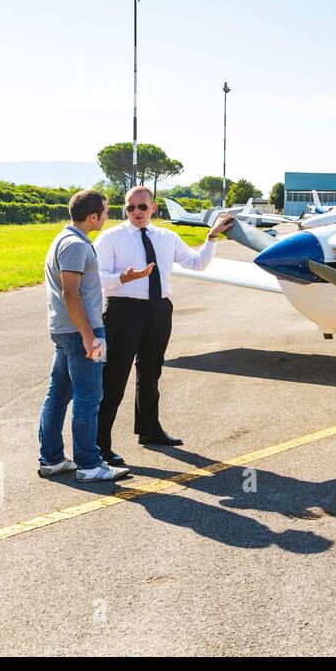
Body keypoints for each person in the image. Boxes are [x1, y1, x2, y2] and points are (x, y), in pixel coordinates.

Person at [93, 186, 234, 464]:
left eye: (142, 207)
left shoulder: (167, 237)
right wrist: (126, 277)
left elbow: (197, 263)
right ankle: (100, 444)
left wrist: (212, 236)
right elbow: (98, 277)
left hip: (159, 309)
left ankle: (149, 430)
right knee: (115, 376)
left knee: (151, 370)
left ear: (153, 208)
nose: (136, 213)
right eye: (130, 207)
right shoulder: (111, 237)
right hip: (123, 309)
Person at [38, 190, 131, 482]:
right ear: (93, 217)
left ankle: (52, 459)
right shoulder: (75, 245)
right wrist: (88, 335)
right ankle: (89, 464)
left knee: (59, 395)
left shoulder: (64, 239)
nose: (107, 215)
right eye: (105, 211)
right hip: (79, 331)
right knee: (88, 398)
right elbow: (70, 293)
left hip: (65, 330)